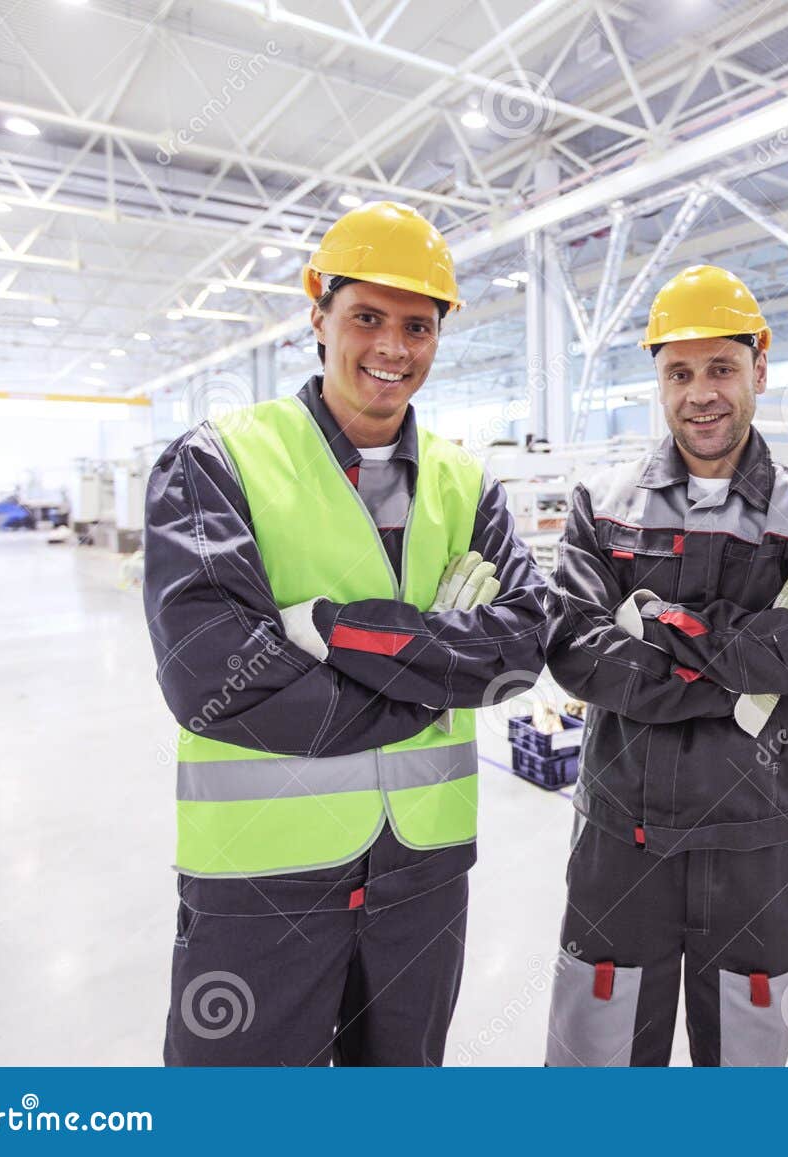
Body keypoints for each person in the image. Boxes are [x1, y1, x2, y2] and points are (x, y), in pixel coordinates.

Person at [144, 200, 547, 1066]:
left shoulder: (465, 481)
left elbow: (518, 650)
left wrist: (327, 630)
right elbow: (213, 674)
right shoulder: (217, 461)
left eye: (416, 325)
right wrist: (437, 669)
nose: (392, 348)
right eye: (367, 317)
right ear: (317, 313)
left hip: (423, 871)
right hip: (263, 876)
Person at [543, 265, 788, 1066]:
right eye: (679, 372)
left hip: (755, 850)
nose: (701, 392)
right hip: (621, 847)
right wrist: (744, 668)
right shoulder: (601, 500)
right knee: (597, 1075)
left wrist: (658, 633)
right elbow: (577, 651)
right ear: (658, 380)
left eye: (721, 367)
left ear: (759, 367)